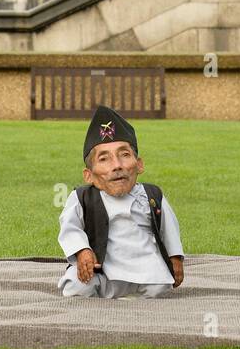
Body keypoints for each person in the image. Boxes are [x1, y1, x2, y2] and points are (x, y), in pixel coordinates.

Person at [56, 105, 184, 298]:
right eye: (104, 159)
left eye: (124, 155)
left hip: (145, 267)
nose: (117, 166)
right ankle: (106, 292)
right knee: (77, 285)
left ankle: (138, 295)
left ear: (139, 164)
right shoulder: (82, 198)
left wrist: (175, 258)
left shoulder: (152, 195)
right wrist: (82, 251)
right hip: (102, 270)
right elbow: (70, 228)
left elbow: (169, 229)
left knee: (160, 286)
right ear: (89, 175)